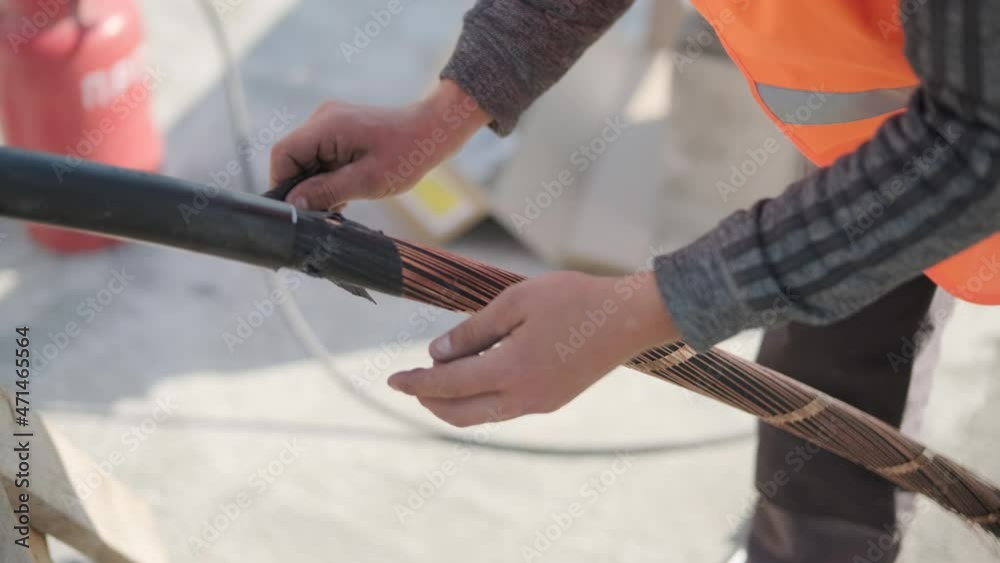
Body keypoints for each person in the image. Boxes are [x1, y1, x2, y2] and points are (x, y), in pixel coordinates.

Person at [269, 2, 1000, 562]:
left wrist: (642, 310)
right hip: (894, 132)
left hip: (963, 143)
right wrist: (445, 114)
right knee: (827, 385)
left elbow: (978, 145)